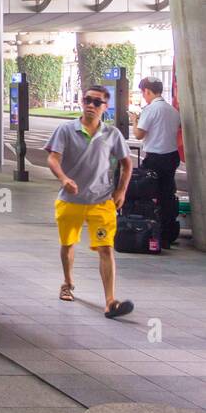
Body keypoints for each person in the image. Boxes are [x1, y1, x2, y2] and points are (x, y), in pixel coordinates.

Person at [46, 85, 134, 317]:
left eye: (97, 102)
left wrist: (121, 191)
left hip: (101, 201)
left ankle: (110, 301)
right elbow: (53, 159)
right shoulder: (66, 130)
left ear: (105, 107)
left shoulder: (112, 134)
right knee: (68, 244)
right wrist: (64, 179)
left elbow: (127, 164)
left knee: (106, 248)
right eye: (87, 100)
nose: (91, 105)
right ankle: (67, 283)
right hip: (70, 200)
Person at [133, 77, 182, 247]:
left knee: (148, 195)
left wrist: (134, 120)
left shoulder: (150, 109)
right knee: (167, 195)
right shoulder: (173, 111)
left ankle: (151, 232)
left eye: (143, 92)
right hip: (171, 156)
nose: (143, 96)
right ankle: (167, 235)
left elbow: (139, 134)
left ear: (147, 91)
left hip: (155, 158)